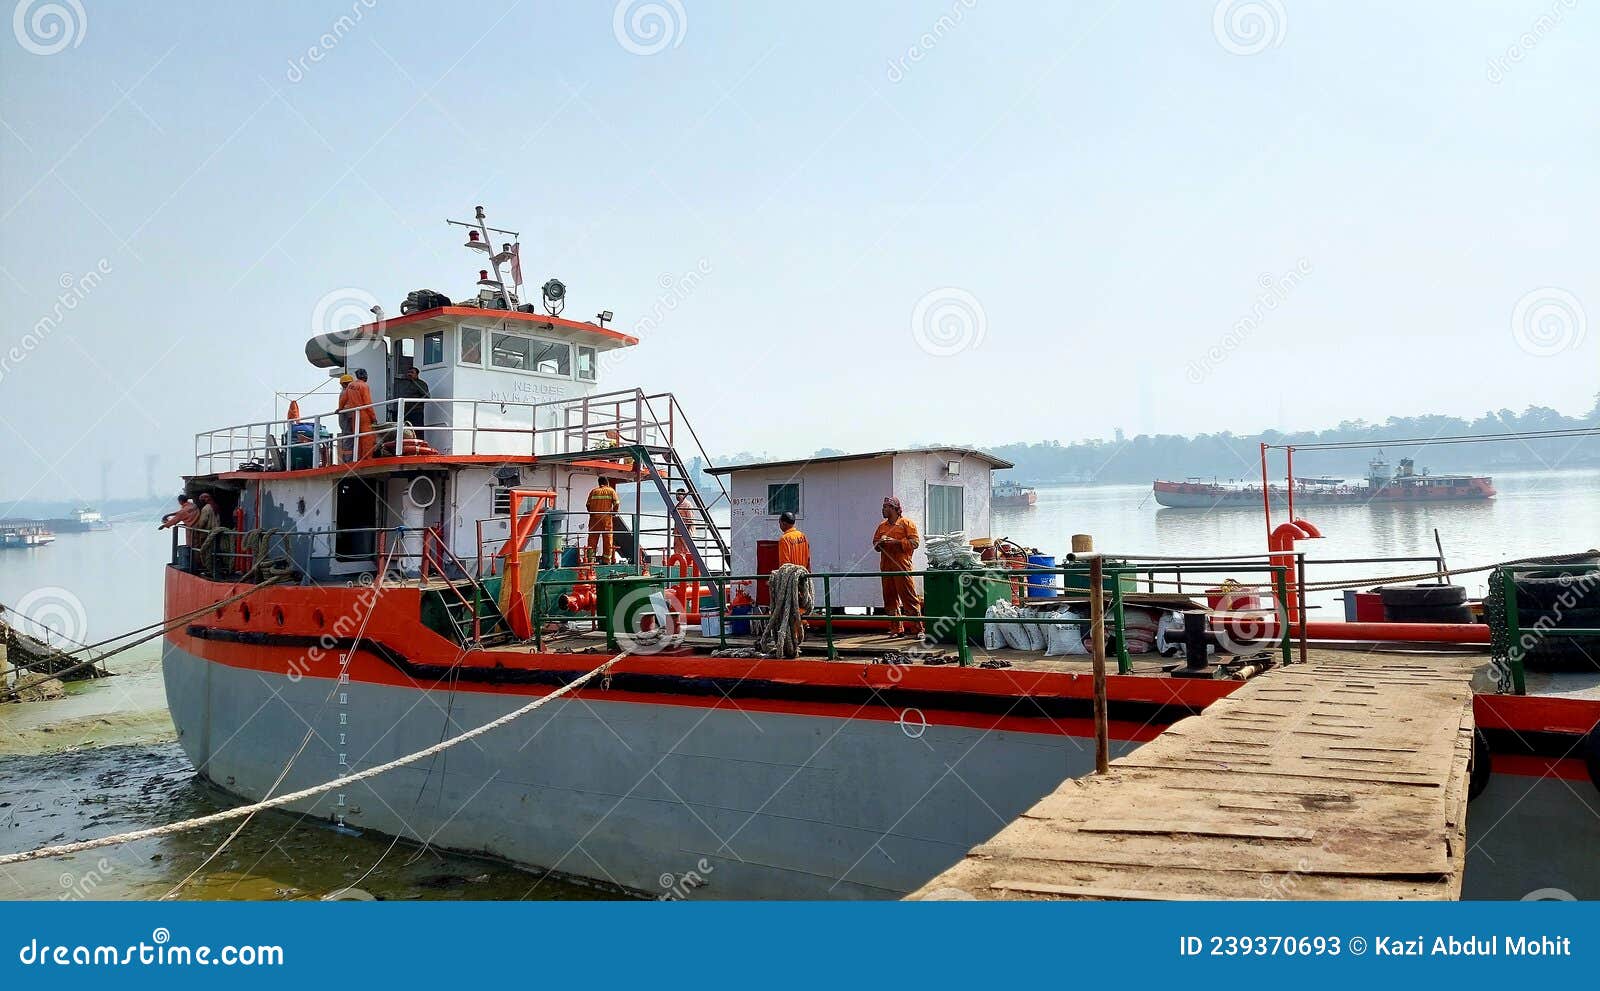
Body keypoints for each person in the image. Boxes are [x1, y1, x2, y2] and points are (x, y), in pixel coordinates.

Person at [872, 496, 922, 637]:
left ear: (894, 509)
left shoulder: (906, 523)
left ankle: (918, 629)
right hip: (886, 568)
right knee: (889, 598)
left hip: (902, 567)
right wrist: (880, 543)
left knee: (909, 598)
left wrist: (896, 542)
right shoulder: (882, 526)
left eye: (886, 507)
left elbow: (915, 543)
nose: (883, 509)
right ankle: (896, 629)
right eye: (883, 506)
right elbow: (875, 544)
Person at [585, 476, 621, 564]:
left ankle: (590, 559)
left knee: (592, 539)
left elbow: (588, 505)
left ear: (599, 483)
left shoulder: (593, 491)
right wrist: (614, 512)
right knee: (608, 540)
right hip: (606, 520)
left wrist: (592, 513)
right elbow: (616, 503)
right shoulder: (611, 491)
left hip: (594, 519)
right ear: (607, 483)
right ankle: (606, 560)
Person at [348, 369, 378, 460]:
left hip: (354, 414)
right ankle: (367, 457)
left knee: (358, 437)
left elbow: (344, 398)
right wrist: (373, 417)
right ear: (365, 376)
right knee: (368, 437)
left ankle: (359, 457)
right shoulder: (364, 386)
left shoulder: (350, 385)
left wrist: (340, 408)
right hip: (364, 414)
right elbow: (367, 403)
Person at [393, 366, 430, 431]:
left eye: (412, 372)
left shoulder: (421, 383)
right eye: (408, 372)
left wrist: (415, 402)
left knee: (417, 430)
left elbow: (427, 396)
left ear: (417, 374)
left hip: (416, 412)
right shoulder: (404, 383)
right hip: (404, 411)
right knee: (405, 431)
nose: (409, 374)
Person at [193, 493, 221, 577]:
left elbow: (203, 522)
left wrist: (197, 529)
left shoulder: (206, 508)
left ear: (206, 499)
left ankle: (207, 569)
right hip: (216, 532)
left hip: (207, 534)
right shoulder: (215, 506)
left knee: (206, 552)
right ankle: (215, 569)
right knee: (214, 552)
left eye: (202, 499)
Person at [672, 486, 699, 560]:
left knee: (686, 548)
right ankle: (679, 561)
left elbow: (690, 518)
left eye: (679, 494)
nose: (677, 496)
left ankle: (688, 562)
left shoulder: (687, 504)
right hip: (678, 530)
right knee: (678, 548)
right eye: (676, 495)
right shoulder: (678, 505)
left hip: (686, 529)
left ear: (683, 495)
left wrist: (687, 528)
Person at [336, 373, 357, 462]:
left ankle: (349, 459)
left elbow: (345, 405)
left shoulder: (346, 392)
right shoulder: (348, 392)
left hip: (347, 417)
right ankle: (349, 459)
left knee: (349, 438)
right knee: (349, 438)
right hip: (348, 417)